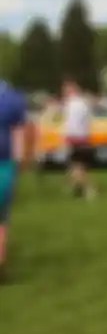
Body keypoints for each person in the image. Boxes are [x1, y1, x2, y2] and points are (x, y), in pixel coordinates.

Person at [0, 78, 35, 278]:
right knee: (2, 217)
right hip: (4, 164)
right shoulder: (14, 99)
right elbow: (20, 134)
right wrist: (21, 162)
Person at [61, 79, 97, 200]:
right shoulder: (83, 103)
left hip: (76, 138)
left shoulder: (72, 104)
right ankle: (74, 187)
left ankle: (89, 189)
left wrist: (67, 137)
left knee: (77, 167)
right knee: (76, 166)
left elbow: (72, 124)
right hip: (84, 137)